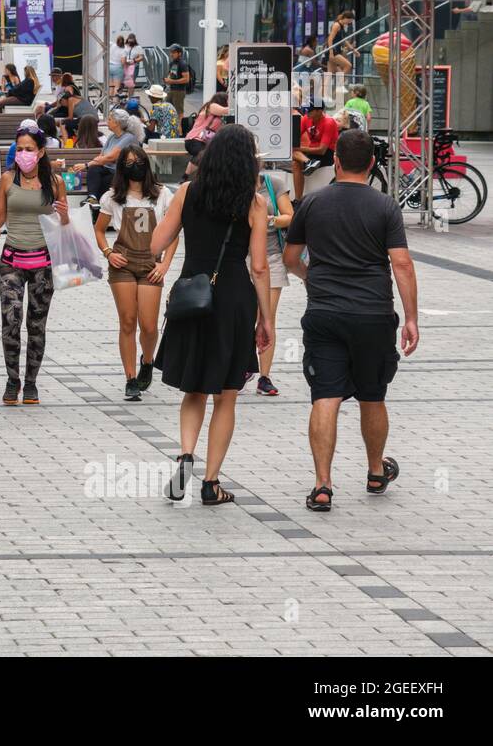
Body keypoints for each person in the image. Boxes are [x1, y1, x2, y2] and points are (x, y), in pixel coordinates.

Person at [282, 129, 418, 513]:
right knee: (372, 394)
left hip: (324, 313)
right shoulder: (386, 207)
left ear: (336, 162)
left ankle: (322, 485)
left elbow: (292, 258)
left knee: (325, 395)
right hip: (374, 314)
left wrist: (313, 278)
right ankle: (376, 471)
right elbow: (402, 264)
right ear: (372, 164)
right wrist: (411, 319)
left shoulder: (311, 204)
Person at [152, 125, 275, 506]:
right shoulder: (255, 203)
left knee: (194, 387)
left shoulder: (188, 193)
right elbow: (258, 266)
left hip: (194, 293)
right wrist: (266, 318)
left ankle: (186, 453)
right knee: (226, 394)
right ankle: (211, 482)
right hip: (234, 298)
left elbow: (157, 243)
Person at [0, 124, 67, 405]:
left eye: (29, 149)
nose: (23, 154)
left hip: (44, 262)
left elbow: (63, 225)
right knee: (11, 320)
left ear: (41, 151)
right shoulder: (8, 179)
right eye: (19, 149)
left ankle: (31, 382)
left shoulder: (55, 183)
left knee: (36, 324)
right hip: (12, 261)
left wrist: (65, 216)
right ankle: (12, 379)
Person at [94, 144, 176, 401]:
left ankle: (148, 360)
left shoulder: (163, 195)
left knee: (149, 326)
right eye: (128, 163)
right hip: (123, 264)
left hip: (152, 264)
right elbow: (98, 230)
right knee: (127, 321)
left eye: (137, 161)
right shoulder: (112, 197)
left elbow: (174, 232)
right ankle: (130, 378)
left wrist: (165, 265)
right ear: (121, 168)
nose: (134, 166)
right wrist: (108, 252)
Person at [254, 167, 294, 397]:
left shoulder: (273, 183)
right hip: (243, 257)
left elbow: (290, 216)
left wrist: (270, 221)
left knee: (267, 316)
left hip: (272, 257)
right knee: (244, 316)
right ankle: (242, 368)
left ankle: (264, 375)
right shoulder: (234, 183)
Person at [72, 108, 143, 209]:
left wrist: (86, 165)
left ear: (117, 123)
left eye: (109, 119)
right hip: (108, 170)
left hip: (121, 173)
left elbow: (111, 157)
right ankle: (92, 199)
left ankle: (97, 212)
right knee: (94, 170)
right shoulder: (111, 137)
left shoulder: (128, 138)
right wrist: (90, 164)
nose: (106, 122)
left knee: (103, 182)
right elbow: (101, 156)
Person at [292, 97, 338, 199]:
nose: (306, 112)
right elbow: (294, 137)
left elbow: (322, 150)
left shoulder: (329, 122)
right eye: (305, 109)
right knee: (294, 161)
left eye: (309, 110)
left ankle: (308, 162)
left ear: (319, 111)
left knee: (295, 151)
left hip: (326, 154)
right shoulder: (306, 118)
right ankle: (298, 199)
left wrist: (299, 148)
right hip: (312, 154)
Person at [183, 92, 229, 180]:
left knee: (211, 154)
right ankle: (186, 176)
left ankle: (197, 177)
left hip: (202, 142)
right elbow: (225, 110)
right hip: (194, 140)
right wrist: (239, 105)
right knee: (204, 154)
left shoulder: (217, 115)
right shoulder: (212, 106)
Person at [163, 44, 192, 119]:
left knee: (178, 111)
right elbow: (171, 75)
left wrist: (172, 81)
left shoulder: (182, 64)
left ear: (179, 53)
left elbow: (186, 79)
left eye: (174, 52)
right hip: (171, 89)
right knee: (166, 108)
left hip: (179, 91)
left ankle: (180, 129)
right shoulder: (172, 63)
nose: (171, 54)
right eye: (171, 52)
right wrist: (167, 80)